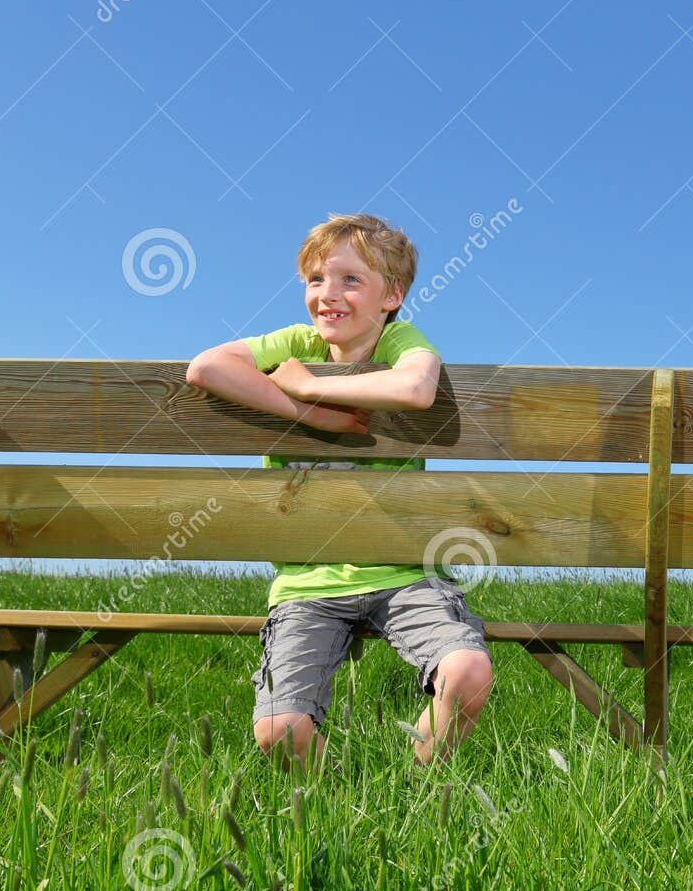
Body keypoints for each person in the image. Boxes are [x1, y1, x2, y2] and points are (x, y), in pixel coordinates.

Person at [185, 213, 493, 769]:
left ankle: (414, 783)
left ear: (391, 295)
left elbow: (418, 388)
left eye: (351, 280)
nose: (329, 295)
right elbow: (205, 367)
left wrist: (306, 380)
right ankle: (347, 798)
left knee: (466, 672)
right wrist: (308, 412)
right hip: (309, 579)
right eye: (316, 280)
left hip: (402, 573)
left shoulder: (397, 341)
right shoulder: (298, 340)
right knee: (280, 729)